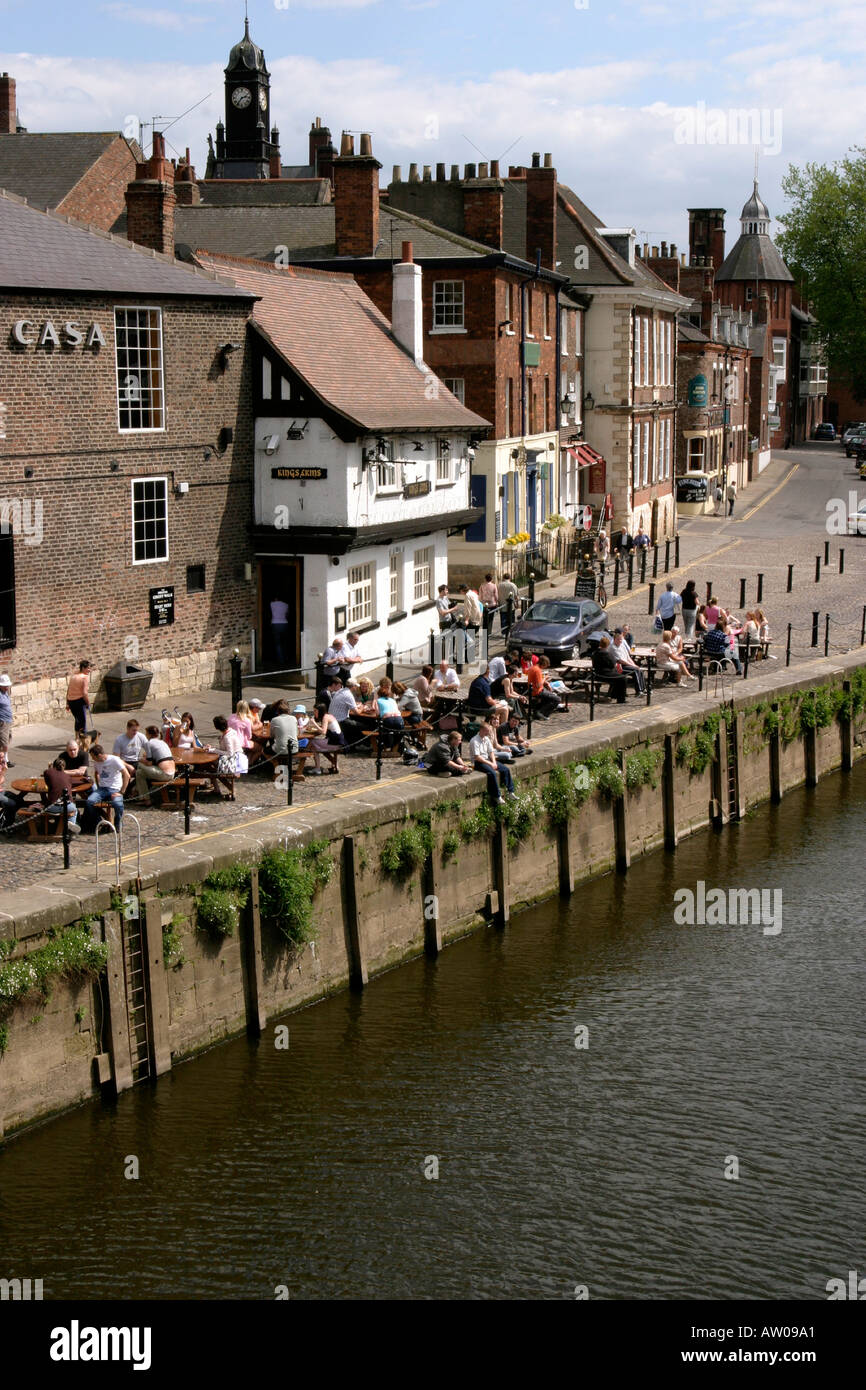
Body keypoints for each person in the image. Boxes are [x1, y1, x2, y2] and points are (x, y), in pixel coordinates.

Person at [82, 745, 130, 833]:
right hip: (102, 789)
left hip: (115, 789)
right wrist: (98, 785)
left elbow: (127, 775)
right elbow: (97, 773)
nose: (92, 759)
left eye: (93, 757)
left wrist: (122, 792)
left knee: (118, 804)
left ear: (99, 755)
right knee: (89, 802)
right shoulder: (96, 763)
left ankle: (118, 824)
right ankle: (99, 822)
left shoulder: (114, 760)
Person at [469, 721, 515, 803]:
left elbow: (491, 752)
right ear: (481, 730)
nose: (489, 732)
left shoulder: (486, 739)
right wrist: (491, 764)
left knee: (505, 769)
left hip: (488, 759)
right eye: (487, 731)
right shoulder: (474, 741)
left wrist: (494, 762)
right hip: (478, 762)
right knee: (492, 773)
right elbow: (477, 757)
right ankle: (497, 796)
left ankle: (510, 792)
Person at [135, 726, 176, 799]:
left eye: (146, 734)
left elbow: (149, 763)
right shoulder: (163, 742)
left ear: (149, 735)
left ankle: (136, 792)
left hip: (164, 774)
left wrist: (138, 758)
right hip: (172, 773)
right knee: (139, 773)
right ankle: (145, 799)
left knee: (140, 764)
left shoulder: (149, 743)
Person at [309, 701, 345, 773]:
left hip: (335, 742)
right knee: (319, 748)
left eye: (315, 711)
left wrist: (314, 723)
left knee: (312, 743)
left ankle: (317, 768)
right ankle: (334, 764)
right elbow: (323, 729)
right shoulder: (328, 716)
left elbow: (323, 732)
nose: (314, 712)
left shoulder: (325, 717)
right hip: (338, 740)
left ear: (320, 711)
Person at [591, 636, 628, 703]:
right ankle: (621, 699)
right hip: (605, 674)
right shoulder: (606, 654)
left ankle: (613, 695)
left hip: (597, 674)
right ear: (607, 645)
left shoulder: (595, 653)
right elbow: (612, 664)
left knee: (618, 677)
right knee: (623, 678)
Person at [611, 628, 645, 695]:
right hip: (619, 666)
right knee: (635, 671)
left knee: (639, 670)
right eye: (618, 639)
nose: (620, 641)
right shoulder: (613, 647)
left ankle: (643, 689)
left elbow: (628, 657)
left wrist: (634, 664)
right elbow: (621, 661)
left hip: (626, 664)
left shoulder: (622, 645)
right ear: (614, 639)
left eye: (621, 639)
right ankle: (639, 691)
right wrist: (632, 666)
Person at [376, 678, 405, 750]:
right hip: (399, 718)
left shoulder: (378, 700)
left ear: (379, 695)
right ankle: (394, 746)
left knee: (383, 729)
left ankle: (387, 745)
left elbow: (377, 713)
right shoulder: (393, 700)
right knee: (397, 731)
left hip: (388, 719)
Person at [65, 660, 92, 736]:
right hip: (79, 702)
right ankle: (84, 740)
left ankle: (77, 738)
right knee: (82, 722)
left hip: (71, 702)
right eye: (88, 668)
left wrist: (67, 704)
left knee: (77, 720)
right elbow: (84, 693)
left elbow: (68, 690)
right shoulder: (84, 678)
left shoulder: (74, 676)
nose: (89, 670)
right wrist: (88, 703)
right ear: (83, 668)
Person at [270, 597, 291, 667]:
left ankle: (281, 660)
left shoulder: (272, 604)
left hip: (275, 624)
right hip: (284, 623)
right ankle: (286, 657)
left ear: (275, 598)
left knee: (277, 643)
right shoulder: (286, 605)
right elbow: (287, 615)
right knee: (284, 642)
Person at [0, 674, 13, 766]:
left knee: (8, 739)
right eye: (5, 686)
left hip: (8, 720)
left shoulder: (6, 692)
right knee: (4, 742)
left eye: (8, 685)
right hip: (2, 721)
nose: (7, 687)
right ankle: (5, 761)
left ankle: (3, 759)